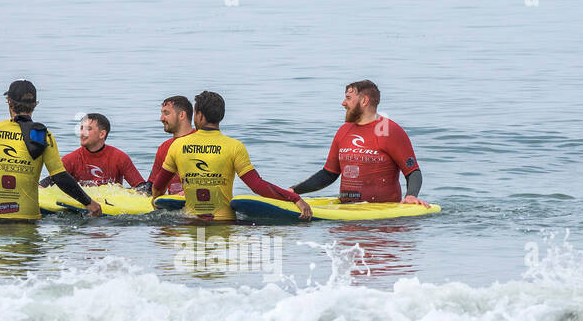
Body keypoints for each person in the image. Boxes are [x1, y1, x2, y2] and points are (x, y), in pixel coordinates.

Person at [151, 91, 312, 221]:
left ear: (199, 115)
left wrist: (157, 202)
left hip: (191, 222)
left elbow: (158, 187)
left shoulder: (178, 146)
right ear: (221, 115)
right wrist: (295, 198)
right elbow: (258, 186)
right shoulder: (234, 147)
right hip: (225, 222)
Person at [289, 80, 428, 205]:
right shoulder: (344, 130)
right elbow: (328, 174)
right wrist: (294, 191)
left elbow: (413, 171)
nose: (343, 103)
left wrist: (410, 196)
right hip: (346, 214)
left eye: (348, 98)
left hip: (382, 219)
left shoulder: (390, 131)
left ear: (364, 101)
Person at [0, 80, 102, 219]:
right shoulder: (43, 135)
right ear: (35, 104)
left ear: (9, 102)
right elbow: (60, 176)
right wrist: (90, 203)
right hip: (27, 217)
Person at [39, 112, 145, 189]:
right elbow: (43, 186)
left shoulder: (119, 158)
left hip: (111, 211)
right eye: (81, 129)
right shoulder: (71, 159)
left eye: (88, 129)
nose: (82, 133)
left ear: (102, 134)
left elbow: (141, 188)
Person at [148, 95, 195, 198]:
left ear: (182, 115)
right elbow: (152, 185)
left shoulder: (203, 142)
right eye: (162, 113)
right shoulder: (164, 147)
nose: (161, 118)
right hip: (172, 207)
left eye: (166, 113)